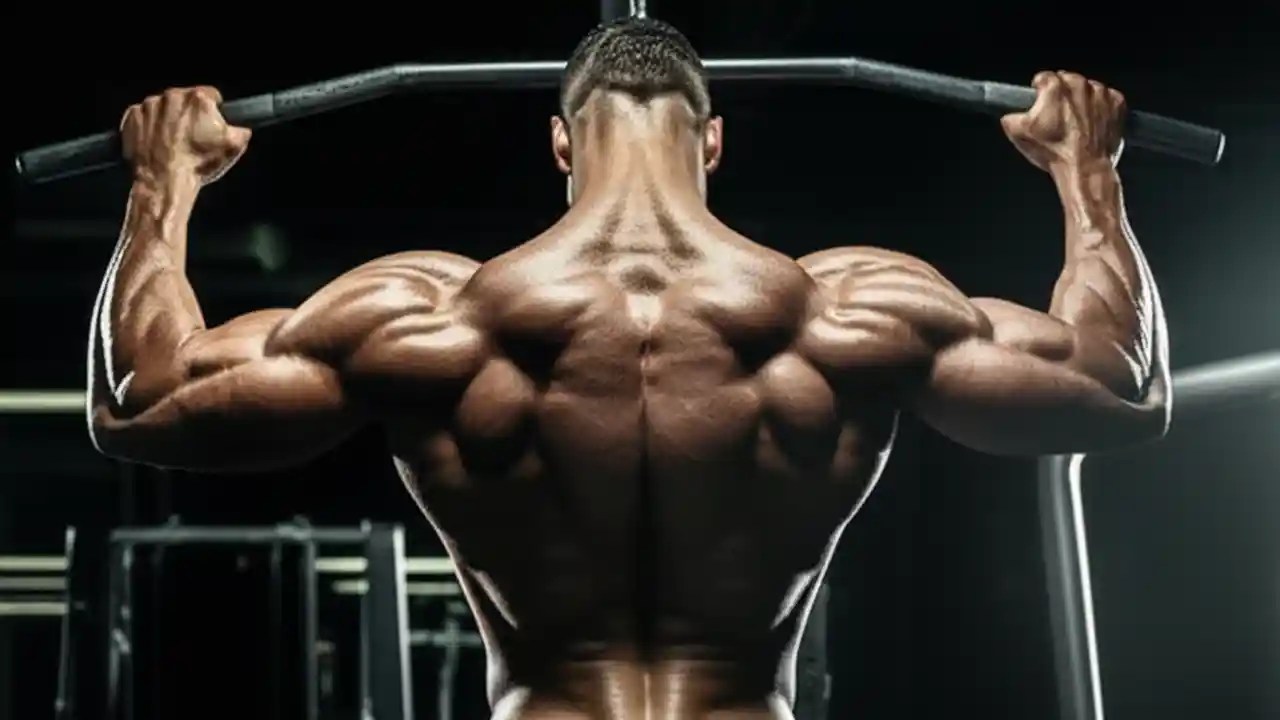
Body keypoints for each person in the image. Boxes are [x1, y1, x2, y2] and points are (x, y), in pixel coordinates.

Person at [87, 16, 1169, 720]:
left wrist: (163, 186)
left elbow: (140, 398)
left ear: (560, 145)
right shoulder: (852, 311)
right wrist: (1088, 175)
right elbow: (1120, 388)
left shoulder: (429, 319)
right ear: (712, 143)